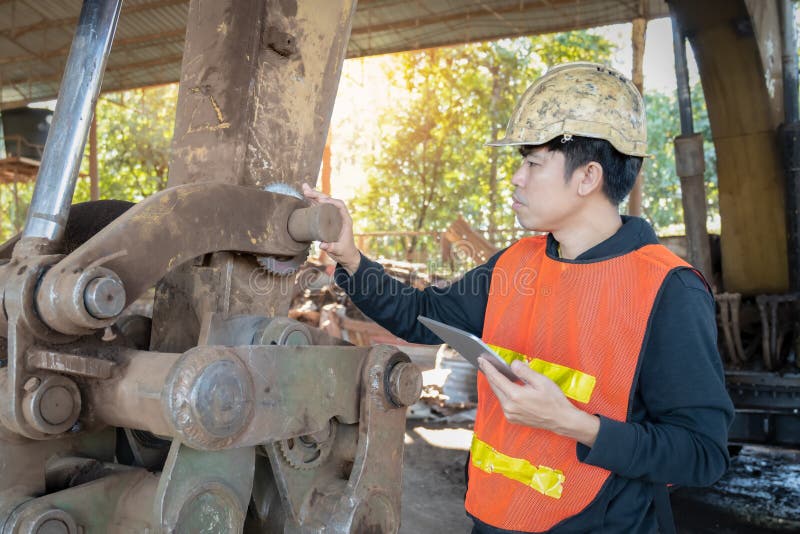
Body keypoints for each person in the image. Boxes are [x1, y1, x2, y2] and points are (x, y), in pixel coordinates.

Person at [303, 62, 734, 534]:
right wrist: (349, 258)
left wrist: (576, 425)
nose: (516, 177)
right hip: (491, 520)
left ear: (587, 177)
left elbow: (702, 455)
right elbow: (420, 314)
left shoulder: (669, 289)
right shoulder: (514, 265)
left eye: (532, 162)